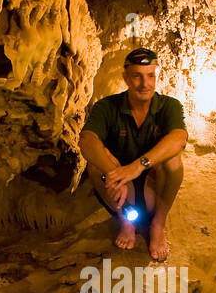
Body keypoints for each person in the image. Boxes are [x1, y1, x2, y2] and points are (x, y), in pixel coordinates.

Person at [79, 47, 187, 261]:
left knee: (174, 159)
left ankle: (158, 224)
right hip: (120, 192)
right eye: (137, 76)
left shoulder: (169, 105)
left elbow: (179, 138)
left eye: (150, 76)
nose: (144, 83)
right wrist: (115, 174)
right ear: (126, 78)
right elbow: (87, 141)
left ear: (156, 77)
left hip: (153, 188)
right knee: (95, 165)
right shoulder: (107, 107)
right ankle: (126, 222)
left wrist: (137, 167)